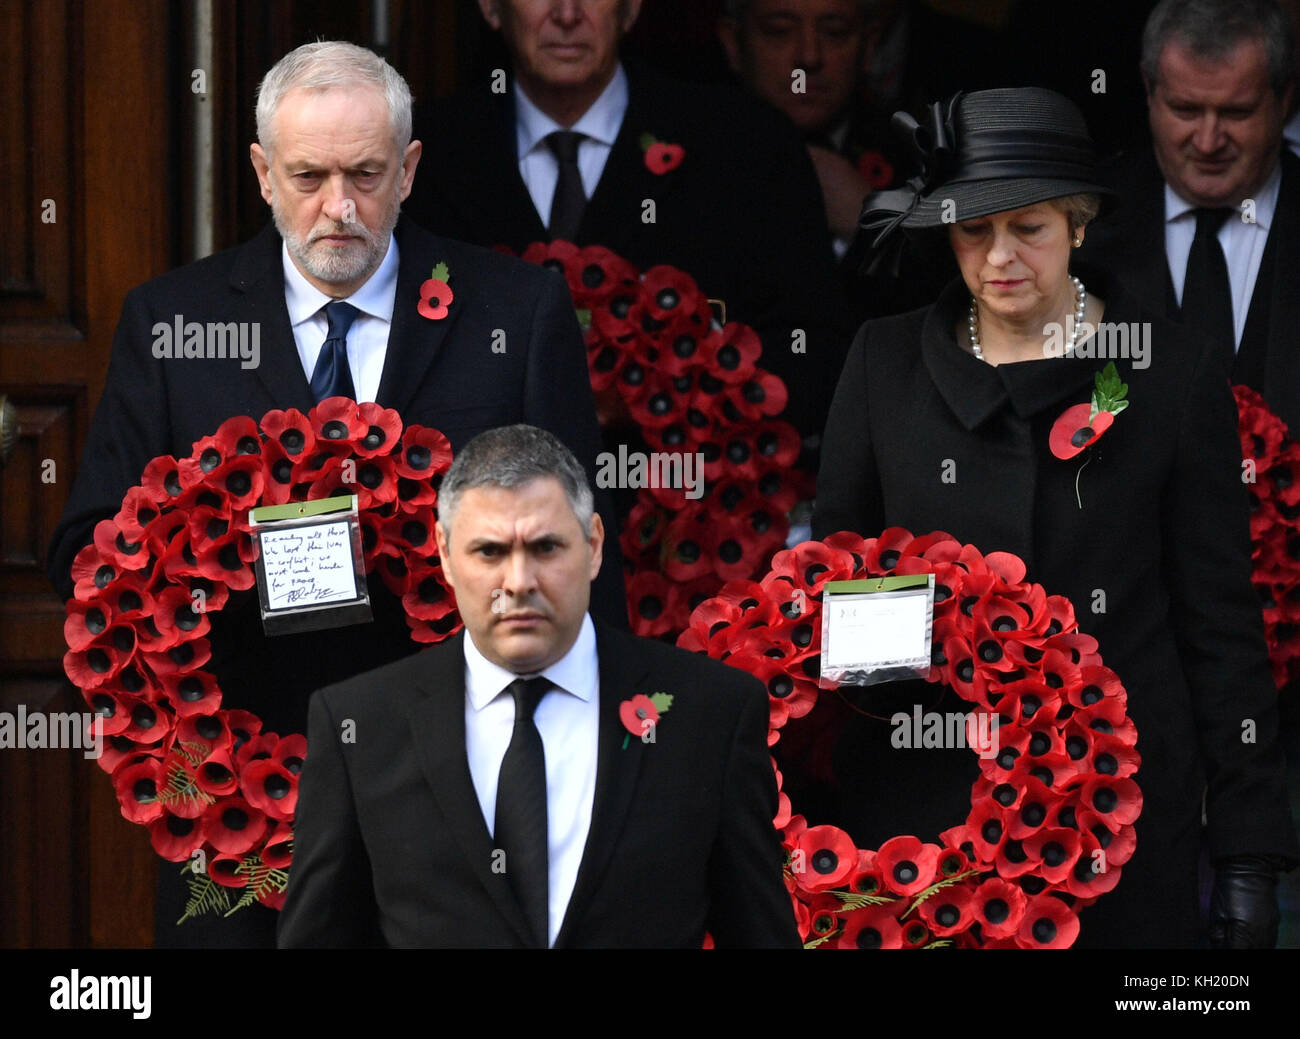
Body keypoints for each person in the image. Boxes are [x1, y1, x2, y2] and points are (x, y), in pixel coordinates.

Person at [46, 40, 625, 947]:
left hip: (459, 775)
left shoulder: (515, 312)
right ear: (263, 174)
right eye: (309, 176)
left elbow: (588, 551)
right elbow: (87, 550)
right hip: (238, 782)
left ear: (409, 170)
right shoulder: (172, 320)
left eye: (365, 173)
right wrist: (206, 556)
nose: (339, 208)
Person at [815, 86, 1298, 948]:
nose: (1000, 255)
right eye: (973, 229)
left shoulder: (1170, 372)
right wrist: (949, 639)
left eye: (1029, 226)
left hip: (1118, 822)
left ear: (1078, 224)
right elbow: (835, 597)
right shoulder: (882, 364)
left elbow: (1221, 629)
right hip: (929, 827)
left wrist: (1249, 857)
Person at [278, 424, 799, 948]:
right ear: (445, 554)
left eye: (546, 547)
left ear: (593, 546)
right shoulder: (360, 726)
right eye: (489, 552)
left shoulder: (709, 712)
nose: (519, 581)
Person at [404, 0, 854, 457]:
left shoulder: (745, 144)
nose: (566, 14)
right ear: (491, 7)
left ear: (633, 7)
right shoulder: (427, 155)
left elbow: (813, 354)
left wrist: (657, 391)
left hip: (692, 510)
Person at [1080, 0, 1300, 431]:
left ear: (1285, 96)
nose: (1208, 141)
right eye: (1186, 110)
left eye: (1236, 113)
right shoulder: (1080, 224)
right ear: (1148, 90)